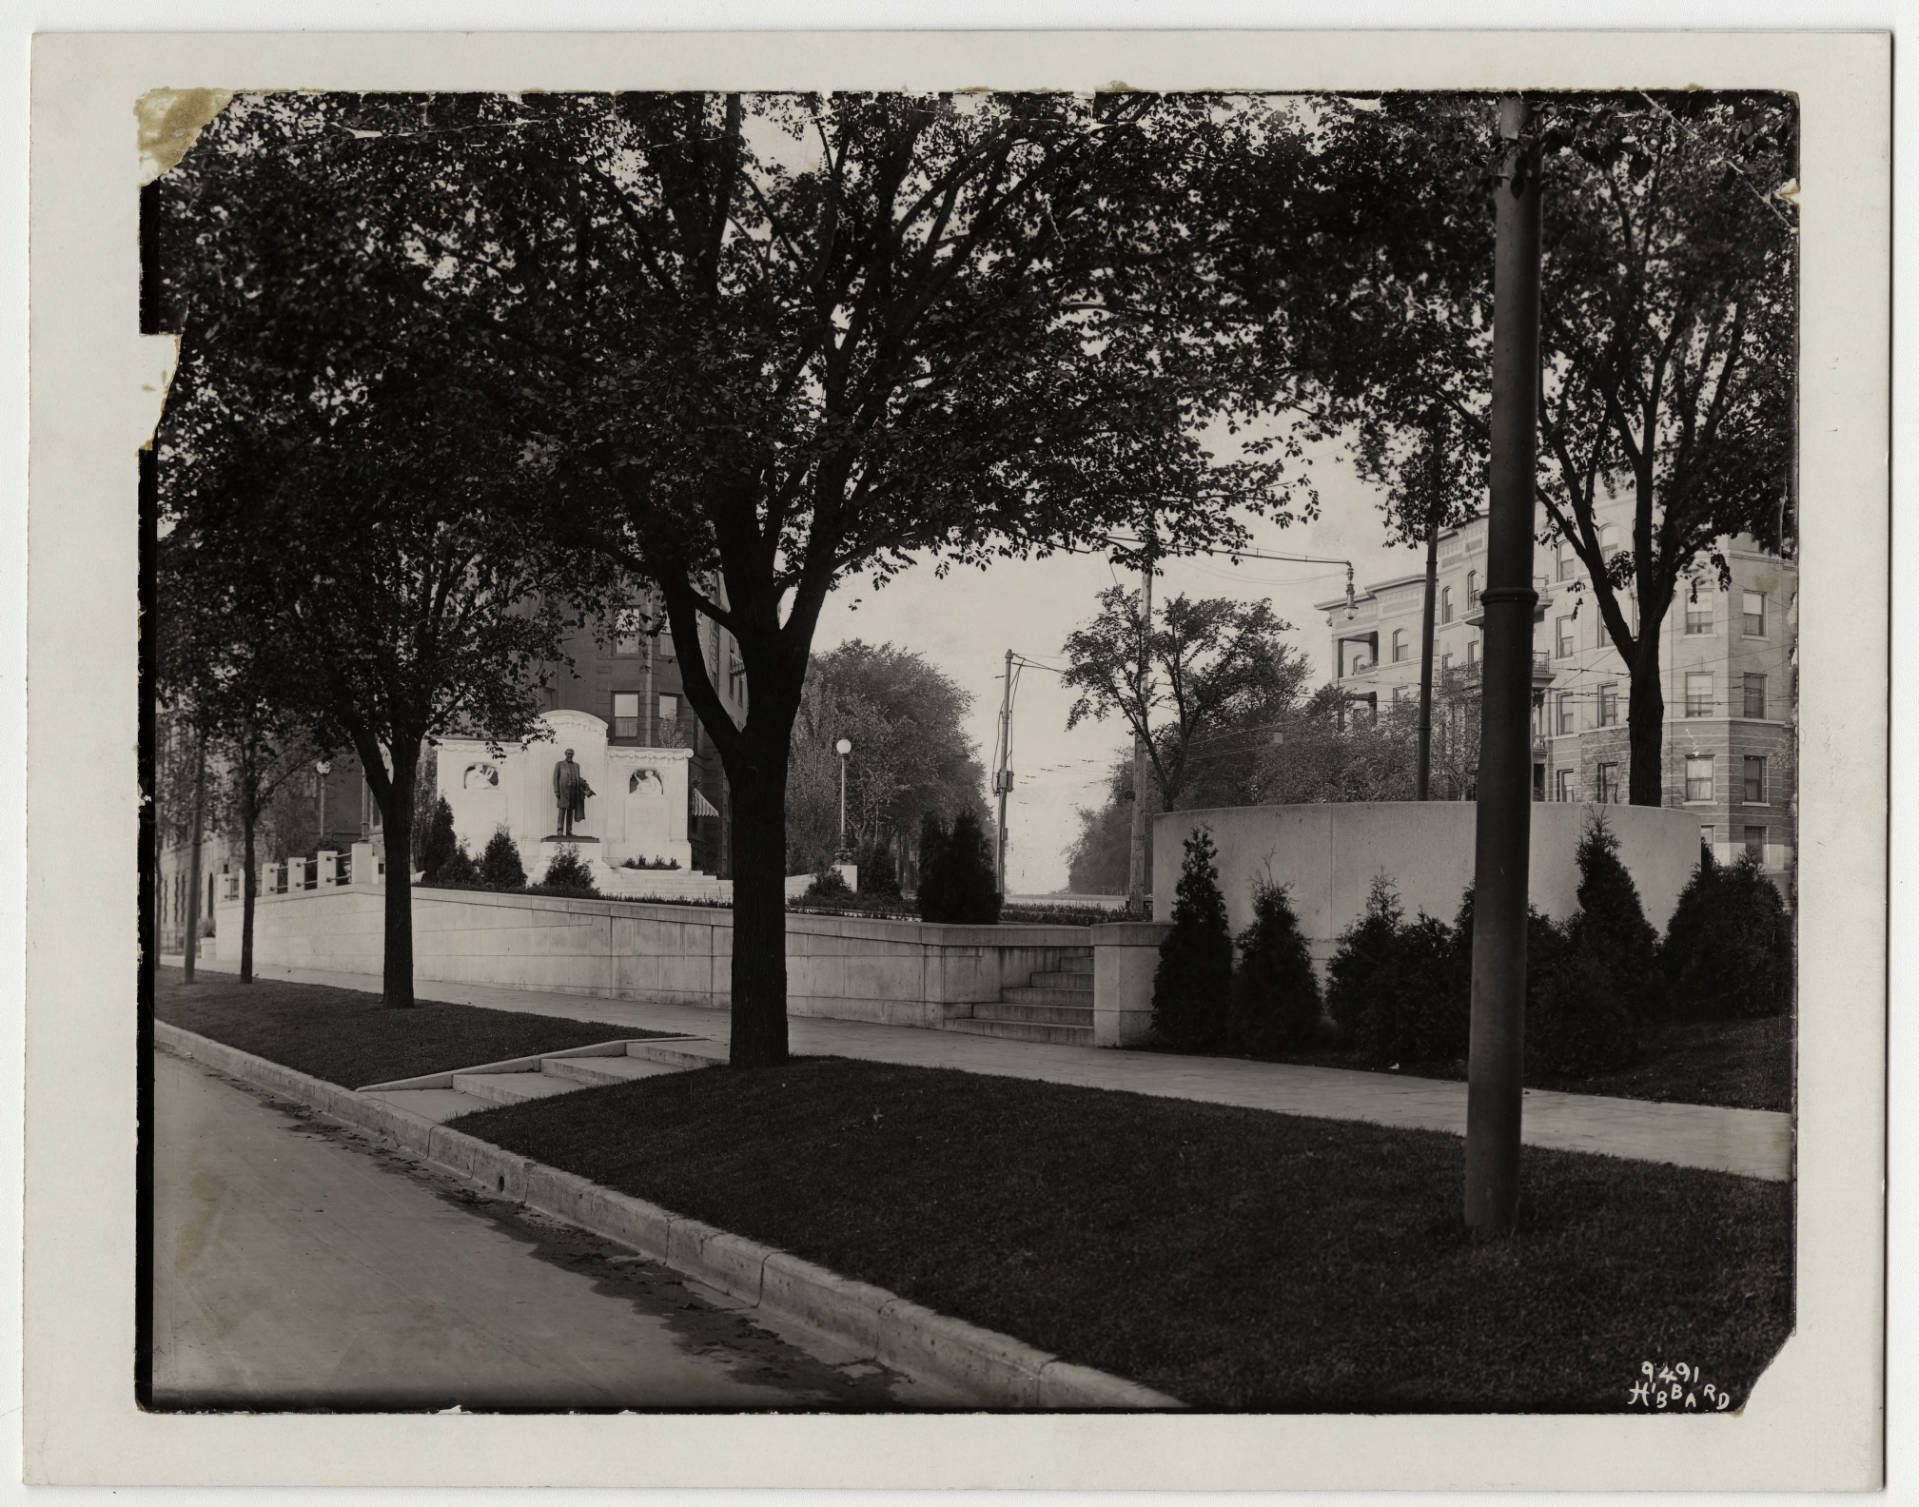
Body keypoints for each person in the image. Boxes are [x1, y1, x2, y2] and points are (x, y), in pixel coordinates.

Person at [553, 749, 591, 836]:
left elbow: (578, 777)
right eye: (568, 753)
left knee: (570, 811)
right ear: (565, 754)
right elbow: (555, 778)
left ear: (573, 755)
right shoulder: (559, 764)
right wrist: (556, 791)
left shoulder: (577, 765)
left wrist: (584, 784)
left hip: (574, 791)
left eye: (571, 754)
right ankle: (559, 830)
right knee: (562, 810)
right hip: (563, 791)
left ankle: (569, 831)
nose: (570, 755)